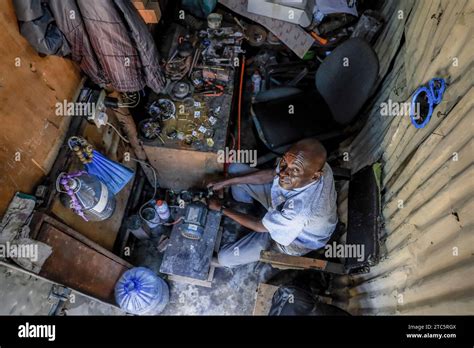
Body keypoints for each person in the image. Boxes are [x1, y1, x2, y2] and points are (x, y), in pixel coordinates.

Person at [207, 138, 338, 268]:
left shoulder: (300, 212)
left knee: (224, 258)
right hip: (283, 202)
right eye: (284, 163)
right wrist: (226, 182)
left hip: (296, 238)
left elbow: (258, 225)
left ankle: (230, 258)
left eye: (295, 170)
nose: (283, 172)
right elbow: (271, 174)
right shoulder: (313, 164)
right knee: (234, 169)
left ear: (315, 176)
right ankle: (246, 201)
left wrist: (221, 208)